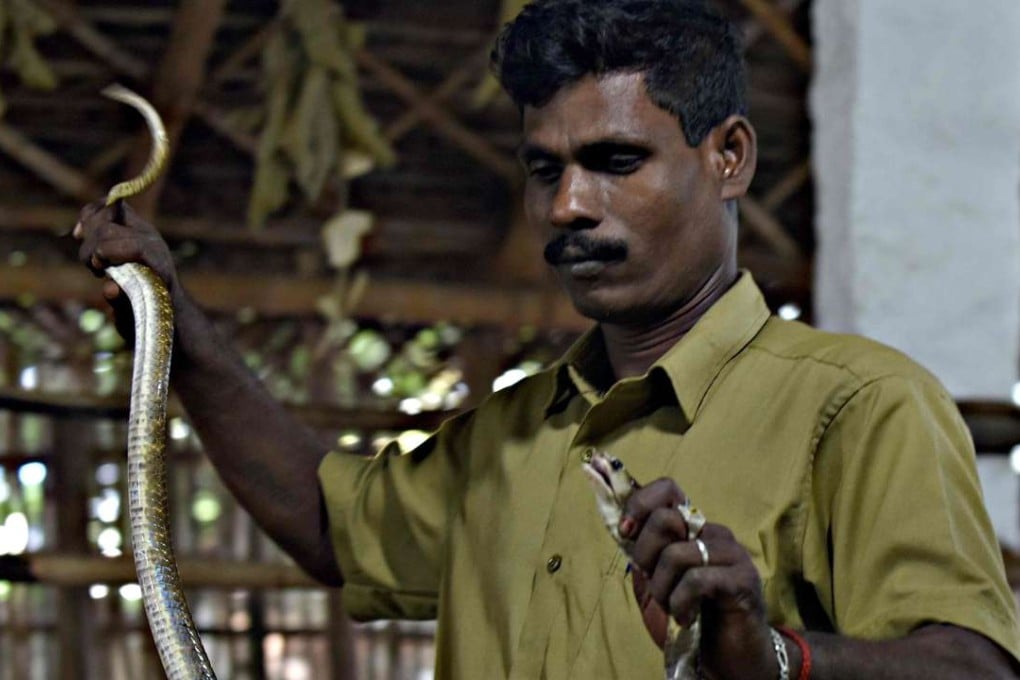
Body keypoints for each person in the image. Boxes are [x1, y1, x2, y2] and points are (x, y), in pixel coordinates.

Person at [74, 0, 1020, 677]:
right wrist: (174, 332)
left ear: (728, 157)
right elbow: (332, 525)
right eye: (544, 169)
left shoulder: (859, 406)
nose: (568, 205)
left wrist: (776, 659)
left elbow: (973, 667)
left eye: (615, 161)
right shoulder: (507, 437)